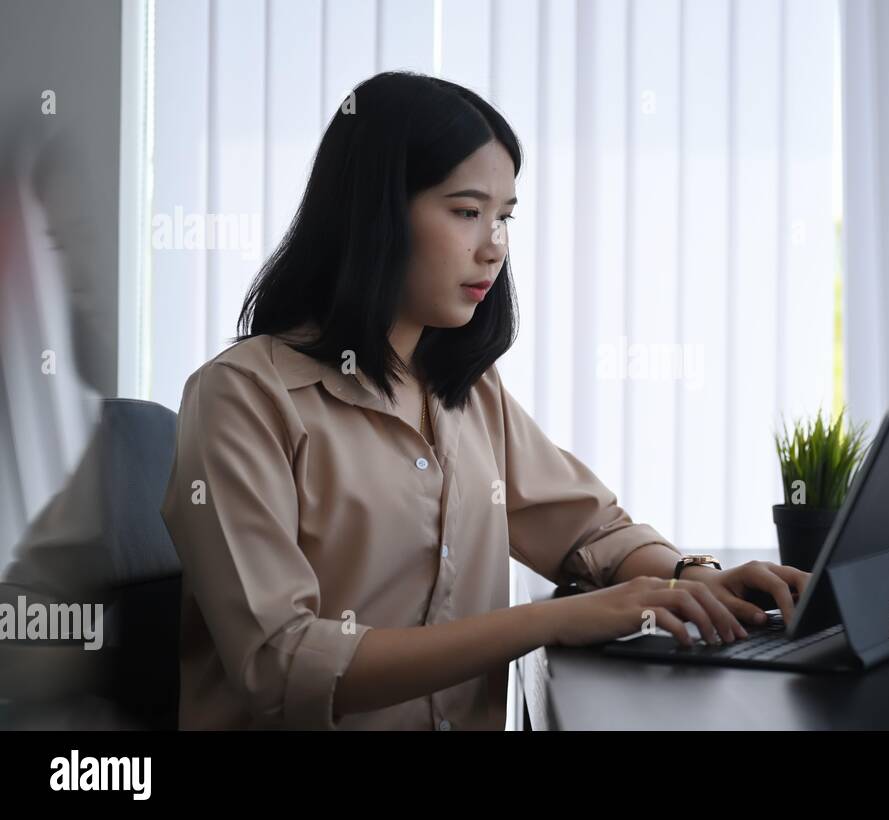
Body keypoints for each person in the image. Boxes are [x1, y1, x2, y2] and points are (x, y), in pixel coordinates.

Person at [160, 71, 808, 730]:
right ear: (375, 211)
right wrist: (555, 619)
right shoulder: (242, 398)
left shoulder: (466, 391)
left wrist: (692, 576)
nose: (494, 246)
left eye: (505, 217)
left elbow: (592, 532)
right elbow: (282, 662)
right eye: (467, 212)